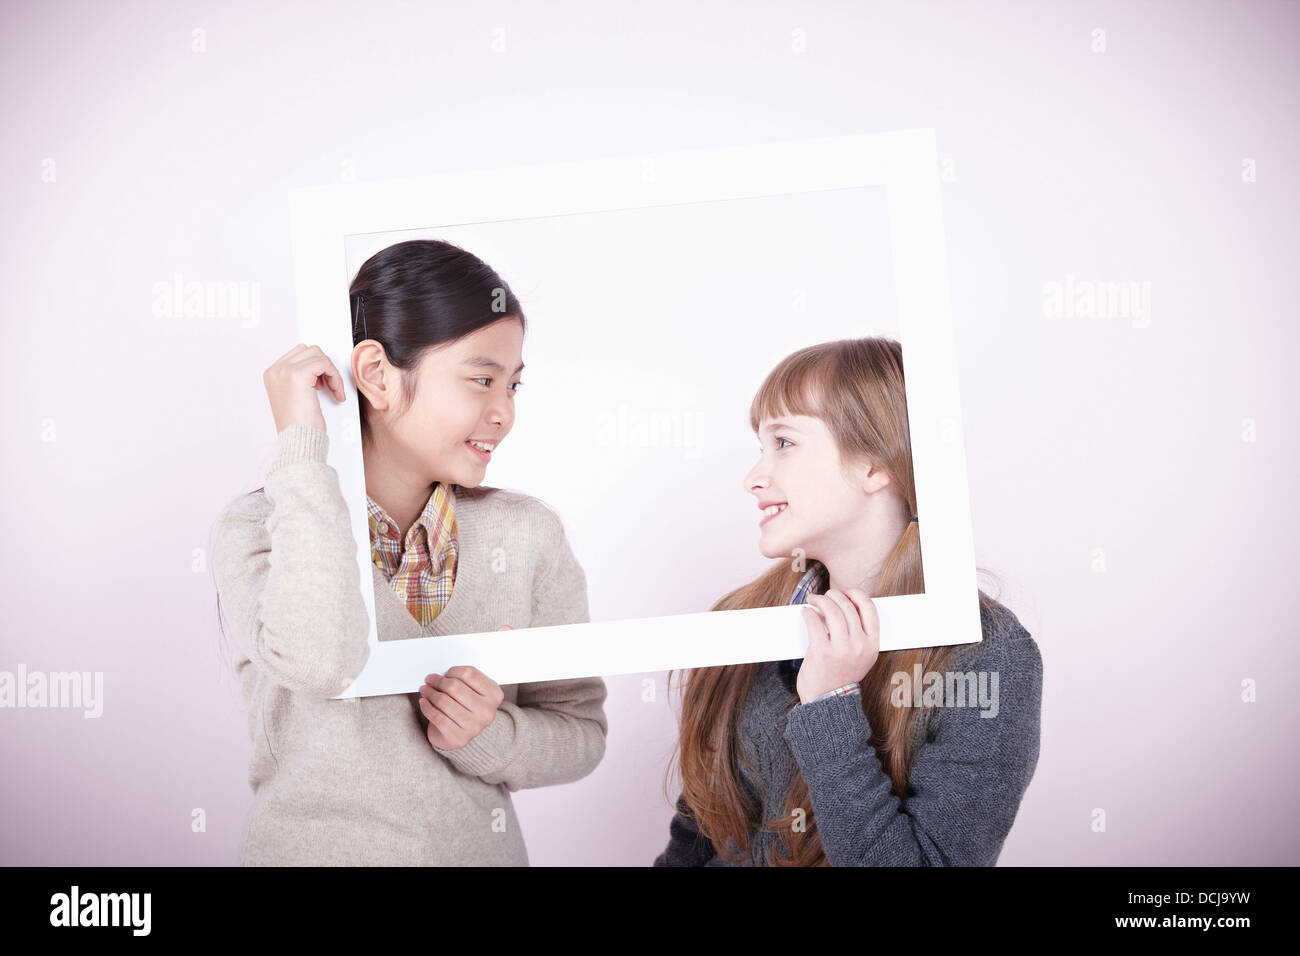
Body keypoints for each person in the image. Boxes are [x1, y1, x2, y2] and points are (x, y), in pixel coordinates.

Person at [210, 239, 607, 865]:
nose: (503, 414)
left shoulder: (526, 534)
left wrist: (489, 736)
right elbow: (321, 663)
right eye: (481, 379)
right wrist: (303, 446)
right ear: (376, 375)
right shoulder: (260, 527)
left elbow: (580, 733)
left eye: (513, 386)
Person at [655, 337, 1042, 866]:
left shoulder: (987, 653)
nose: (753, 478)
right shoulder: (744, 621)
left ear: (875, 464)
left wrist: (830, 704)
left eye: (784, 443)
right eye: (760, 447)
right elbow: (701, 832)